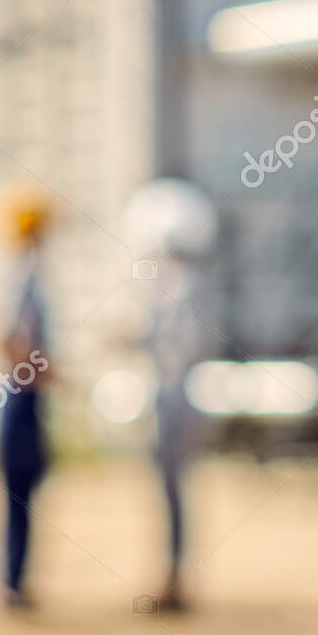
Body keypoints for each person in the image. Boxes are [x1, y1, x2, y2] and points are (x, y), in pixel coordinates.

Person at [123, 179, 220, 611]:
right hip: (175, 392)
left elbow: (171, 344)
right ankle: (171, 573)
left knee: (171, 488)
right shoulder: (192, 284)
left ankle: (174, 577)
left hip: (174, 395)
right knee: (168, 490)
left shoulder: (182, 287)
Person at [0, 189, 54, 610]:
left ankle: (16, 581)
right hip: (20, 398)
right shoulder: (22, 277)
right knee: (20, 492)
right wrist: (42, 373)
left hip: (24, 397)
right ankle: (12, 583)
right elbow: (6, 339)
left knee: (27, 488)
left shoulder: (22, 274)